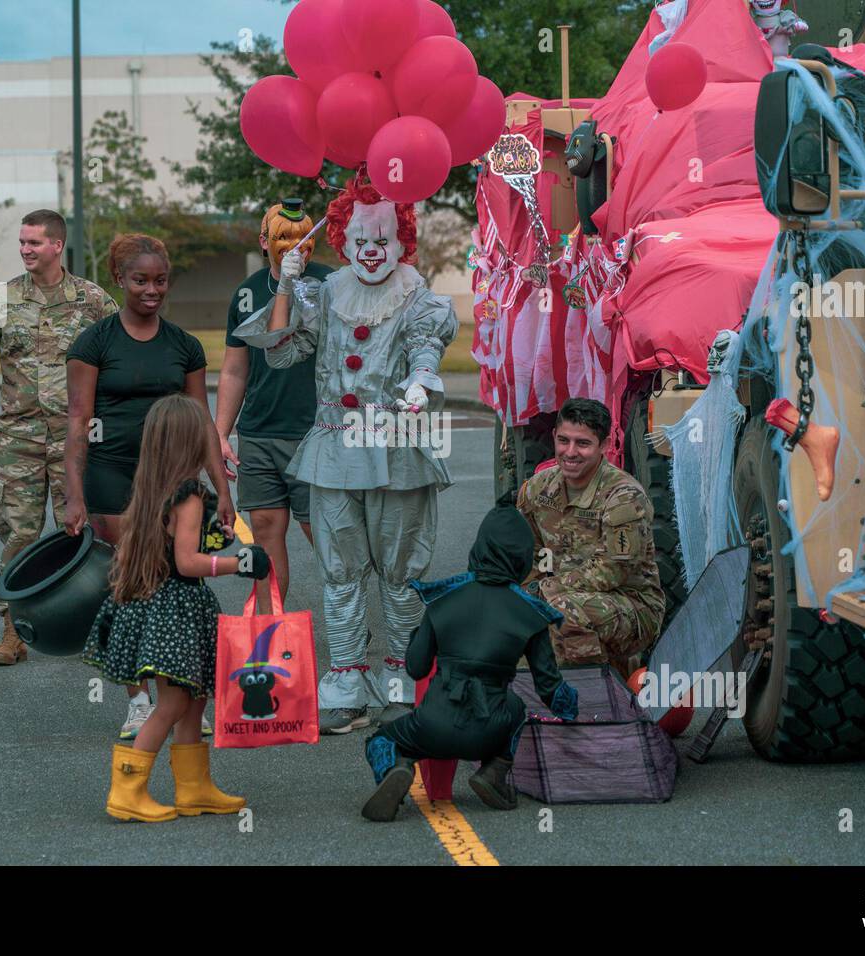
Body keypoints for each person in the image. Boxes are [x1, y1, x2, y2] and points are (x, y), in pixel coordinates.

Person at [233, 175, 458, 735]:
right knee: (341, 572)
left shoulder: (419, 297)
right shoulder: (326, 293)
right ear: (342, 240)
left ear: (402, 239)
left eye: (383, 237)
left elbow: (427, 356)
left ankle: (404, 680)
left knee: (401, 572)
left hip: (397, 446)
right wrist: (285, 289)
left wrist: (419, 387)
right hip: (335, 446)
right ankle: (346, 682)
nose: (372, 249)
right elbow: (283, 357)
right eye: (361, 238)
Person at [65, 232, 235, 739]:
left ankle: (180, 694)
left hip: (174, 479)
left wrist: (220, 488)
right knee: (132, 584)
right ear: (119, 280)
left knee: (181, 583)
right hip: (112, 475)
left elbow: (202, 419)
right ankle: (138, 700)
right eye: (140, 280)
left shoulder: (183, 346)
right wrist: (75, 492)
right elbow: (77, 421)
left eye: (160, 280)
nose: (151, 290)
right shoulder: (94, 342)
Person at [81, 394, 269, 823]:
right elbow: (187, 562)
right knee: (171, 704)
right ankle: (127, 789)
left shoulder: (151, 488)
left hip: (162, 604)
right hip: (177, 608)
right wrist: (238, 562)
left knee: (194, 697)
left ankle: (194, 788)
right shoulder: (188, 496)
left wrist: (212, 538)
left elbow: (175, 548)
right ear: (190, 445)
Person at [0, 209, 118, 666]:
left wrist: (104, 422)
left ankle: (95, 628)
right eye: (22, 243)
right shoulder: (1, 300)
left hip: (76, 440)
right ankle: (13, 631)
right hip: (19, 441)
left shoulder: (91, 301)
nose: (26, 250)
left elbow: (118, 356)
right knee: (18, 536)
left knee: (84, 534)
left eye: (34, 243)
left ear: (57, 246)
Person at [360, 496, 579, 821]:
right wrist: (575, 708)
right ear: (521, 559)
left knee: (380, 739)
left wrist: (415, 638)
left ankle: (398, 767)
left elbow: (416, 668)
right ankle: (493, 772)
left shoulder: (444, 598)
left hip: (431, 727)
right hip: (488, 732)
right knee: (517, 707)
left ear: (479, 548)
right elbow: (551, 691)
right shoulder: (531, 613)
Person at [216, 199, 332, 613]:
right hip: (260, 432)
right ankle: (269, 623)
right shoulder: (247, 293)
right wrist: (221, 432)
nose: (294, 245)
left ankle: (346, 621)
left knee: (323, 532)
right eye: (283, 237)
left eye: (303, 237)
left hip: (316, 431)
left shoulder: (330, 284)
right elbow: (234, 369)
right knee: (264, 531)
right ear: (263, 241)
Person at [516, 397, 666, 678]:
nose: (570, 452)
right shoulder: (537, 490)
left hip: (631, 606)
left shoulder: (623, 497)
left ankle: (596, 694)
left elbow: (613, 571)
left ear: (605, 446)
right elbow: (527, 556)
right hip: (562, 598)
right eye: (564, 441)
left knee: (562, 611)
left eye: (582, 443)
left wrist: (544, 594)